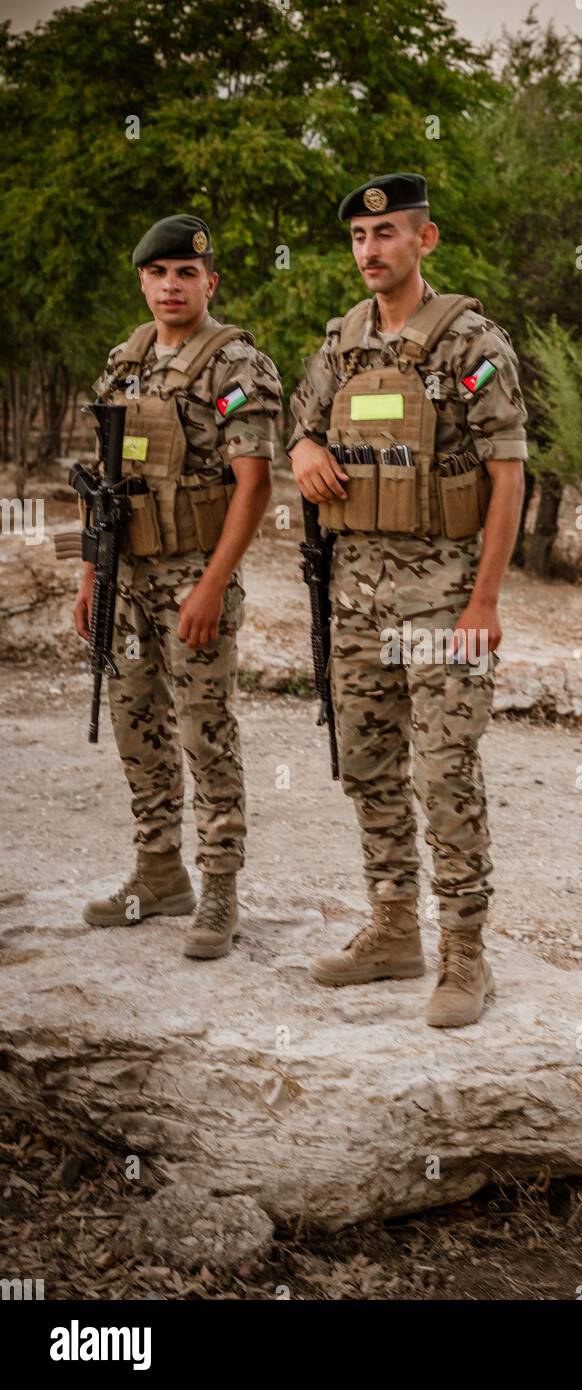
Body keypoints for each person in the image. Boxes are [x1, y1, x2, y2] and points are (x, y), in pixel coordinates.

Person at [288, 173, 527, 1027]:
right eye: (358, 237)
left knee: (445, 772)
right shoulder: (343, 342)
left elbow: (508, 478)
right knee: (366, 767)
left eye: (386, 234)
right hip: (355, 598)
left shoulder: (469, 344)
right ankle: (393, 929)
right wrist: (303, 451)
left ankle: (465, 956)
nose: (369, 251)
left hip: (443, 600)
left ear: (423, 241)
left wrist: (484, 604)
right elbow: (302, 421)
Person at [74, 214, 282, 959]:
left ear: (209, 282)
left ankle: (219, 884)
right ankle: (159, 871)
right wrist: (92, 576)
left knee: (206, 729)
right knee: (136, 723)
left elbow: (254, 486)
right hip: (126, 573)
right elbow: (99, 481)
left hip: (195, 574)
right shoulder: (123, 364)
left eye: (186, 274)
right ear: (142, 281)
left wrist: (212, 587)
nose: (171, 286)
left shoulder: (235, 365)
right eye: (159, 274)